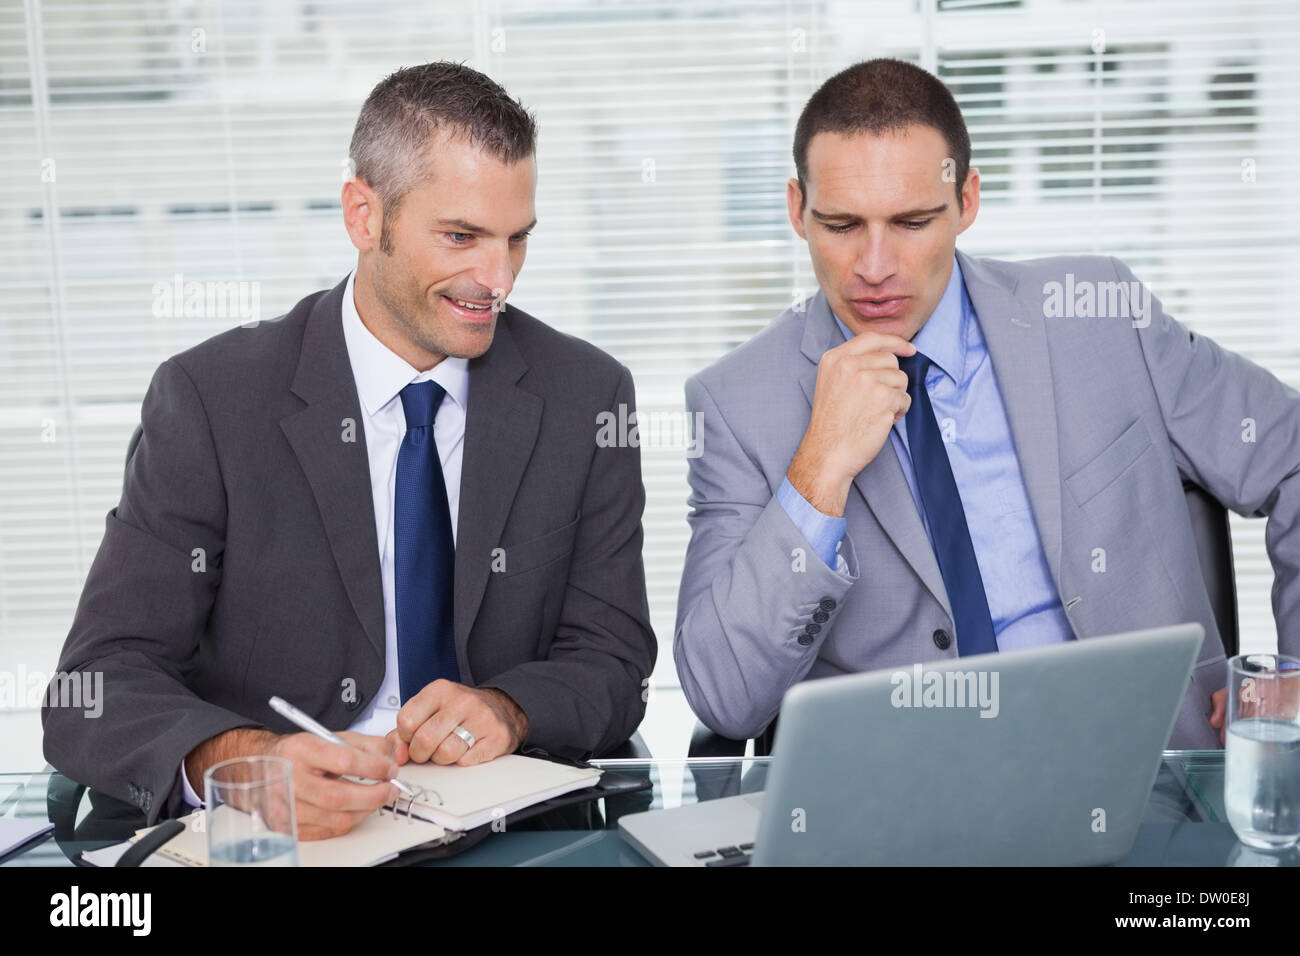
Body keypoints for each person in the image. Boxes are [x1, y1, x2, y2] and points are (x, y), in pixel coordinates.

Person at [42, 61, 656, 839]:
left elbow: (613, 655)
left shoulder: (586, 396)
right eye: (461, 236)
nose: (497, 279)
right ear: (365, 217)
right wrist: (245, 765)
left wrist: (511, 706)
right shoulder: (213, 398)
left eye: (516, 240)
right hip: (291, 842)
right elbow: (95, 685)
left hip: (500, 823)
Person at [675, 57, 1300, 751]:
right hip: (906, 816)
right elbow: (725, 698)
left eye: (912, 222)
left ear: (966, 200)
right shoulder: (734, 403)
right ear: (797, 210)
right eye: (842, 225)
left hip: (1145, 770)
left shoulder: (1098, 317)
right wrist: (819, 467)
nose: (875, 267)